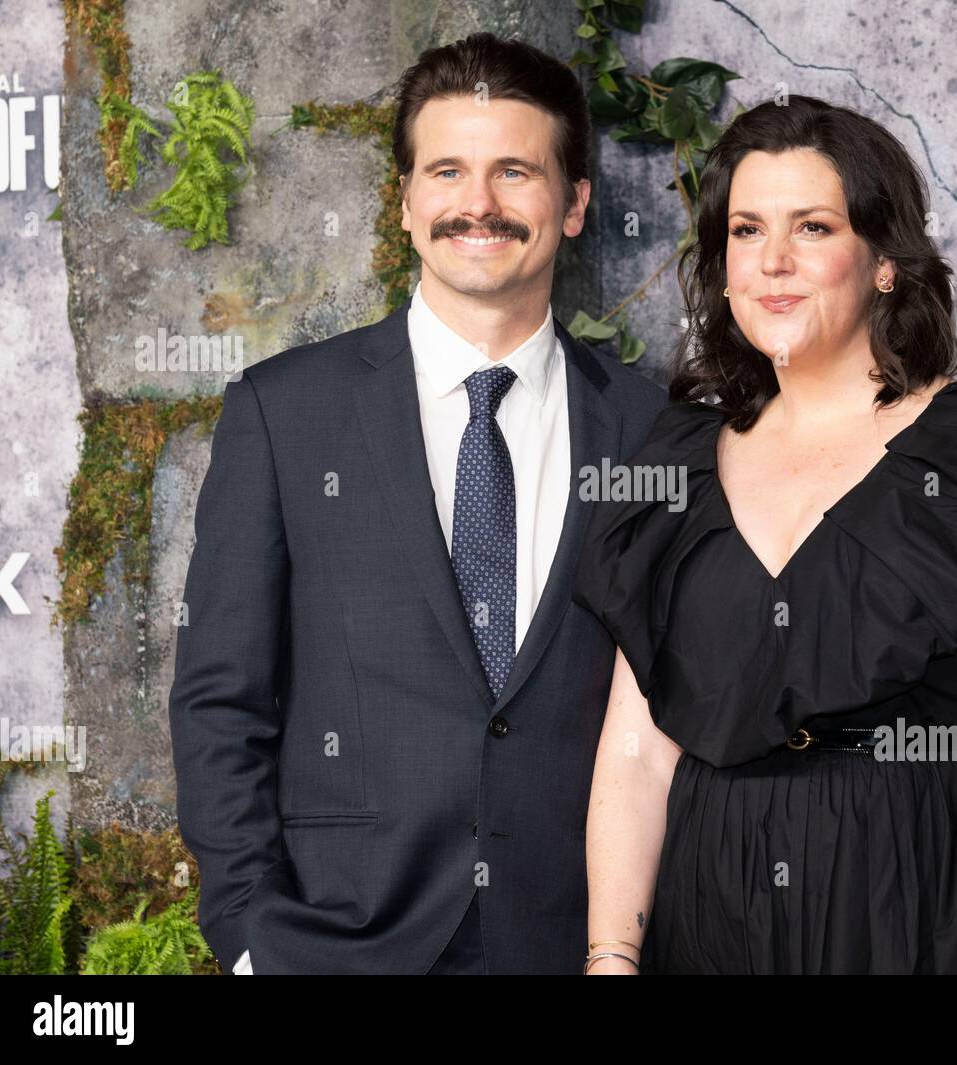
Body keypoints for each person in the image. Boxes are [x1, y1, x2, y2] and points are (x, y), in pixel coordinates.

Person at [572, 96, 957, 975]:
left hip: (936, 894)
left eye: (812, 227)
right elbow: (635, 752)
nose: (773, 261)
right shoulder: (674, 466)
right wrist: (611, 956)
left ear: (885, 260)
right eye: (746, 230)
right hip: (715, 911)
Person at [168, 32, 666, 975]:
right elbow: (220, 697)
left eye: (514, 171)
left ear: (574, 205)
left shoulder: (651, 429)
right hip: (337, 941)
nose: (477, 204)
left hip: (575, 944)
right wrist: (247, 935)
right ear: (404, 203)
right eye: (446, 171)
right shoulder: (285, 413)